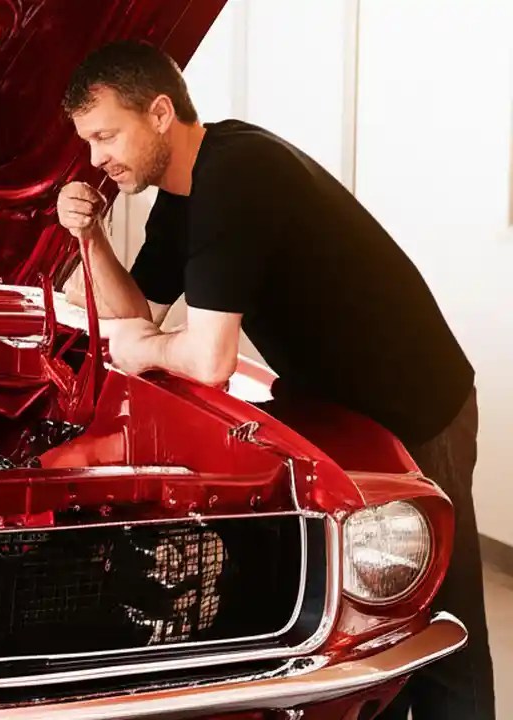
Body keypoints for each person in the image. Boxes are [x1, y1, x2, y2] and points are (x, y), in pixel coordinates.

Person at [56, 40, 493, 719]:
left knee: (440, 627)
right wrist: (91, 240)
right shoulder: (182, 194)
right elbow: (133, 312)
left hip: (414, 399)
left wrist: (145, 350)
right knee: (359, 622)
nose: (96, 158)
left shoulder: (238, 173)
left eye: (106, 134)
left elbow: (205, 359)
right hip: (339, 405)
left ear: (162, 113)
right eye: (88, 141)